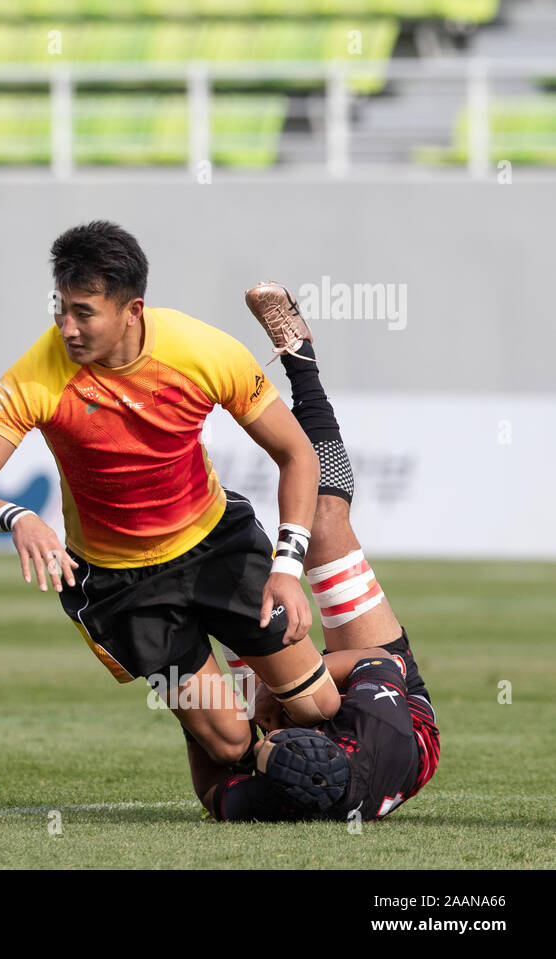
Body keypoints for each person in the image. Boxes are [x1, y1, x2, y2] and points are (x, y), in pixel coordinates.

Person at [0, 222, 337, 782]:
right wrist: (15, 516)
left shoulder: (203, 352)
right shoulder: (38, 375)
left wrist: (288, 569)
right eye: (60, 310)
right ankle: (214, 714)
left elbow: (296, 454)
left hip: (217, 545)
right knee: (229, 745)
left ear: (132, 309)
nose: (67, 328)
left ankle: (364, 670)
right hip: (122, 585)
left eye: (83, 312)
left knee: (320, 709)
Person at [197, 282, 440, 822]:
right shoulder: (383, 732)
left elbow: (215, 792)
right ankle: (301, 359)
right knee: (327, 526)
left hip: (310, 748)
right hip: (391, 708)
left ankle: (176, 452)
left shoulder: (269, 797)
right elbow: (378, 664)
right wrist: (285, 683)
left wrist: (215, 732)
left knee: (231, 594)